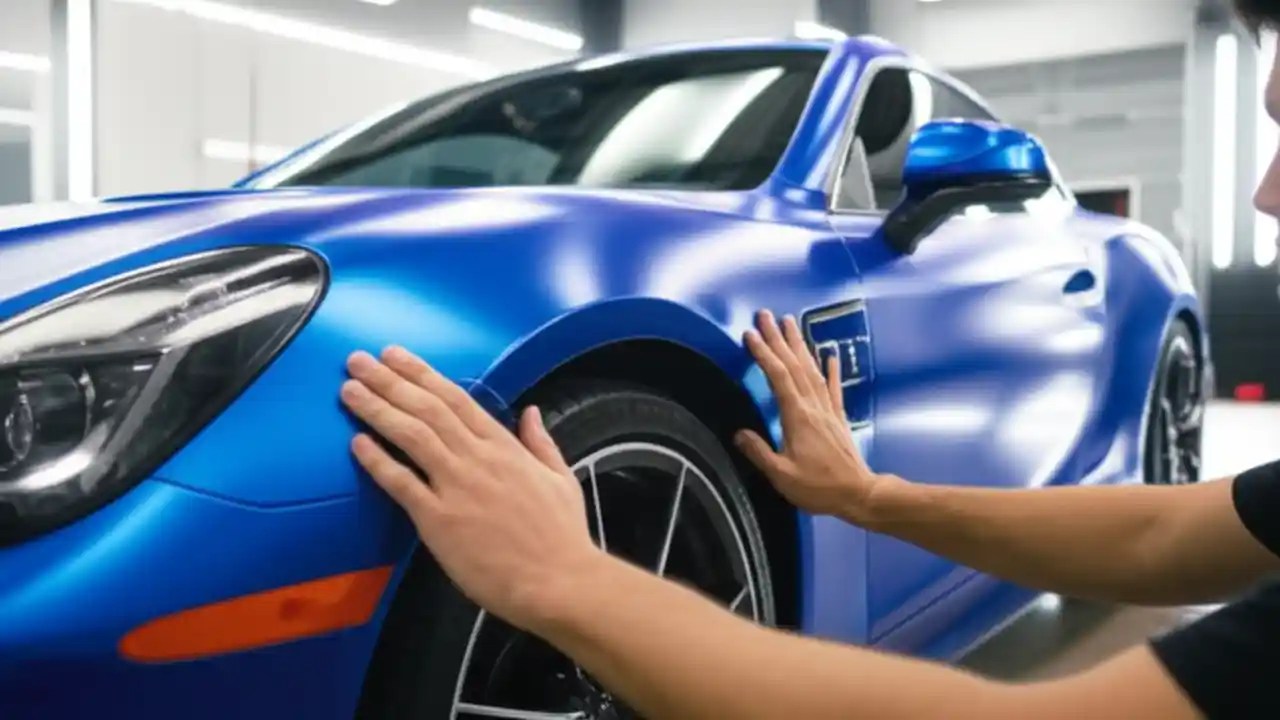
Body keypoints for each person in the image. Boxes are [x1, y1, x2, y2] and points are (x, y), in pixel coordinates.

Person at [338, 2, 1280, 717]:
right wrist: (871, 497)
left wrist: (563, 581)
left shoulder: (1114, 256)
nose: (1265, 195)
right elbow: (1165, 539)